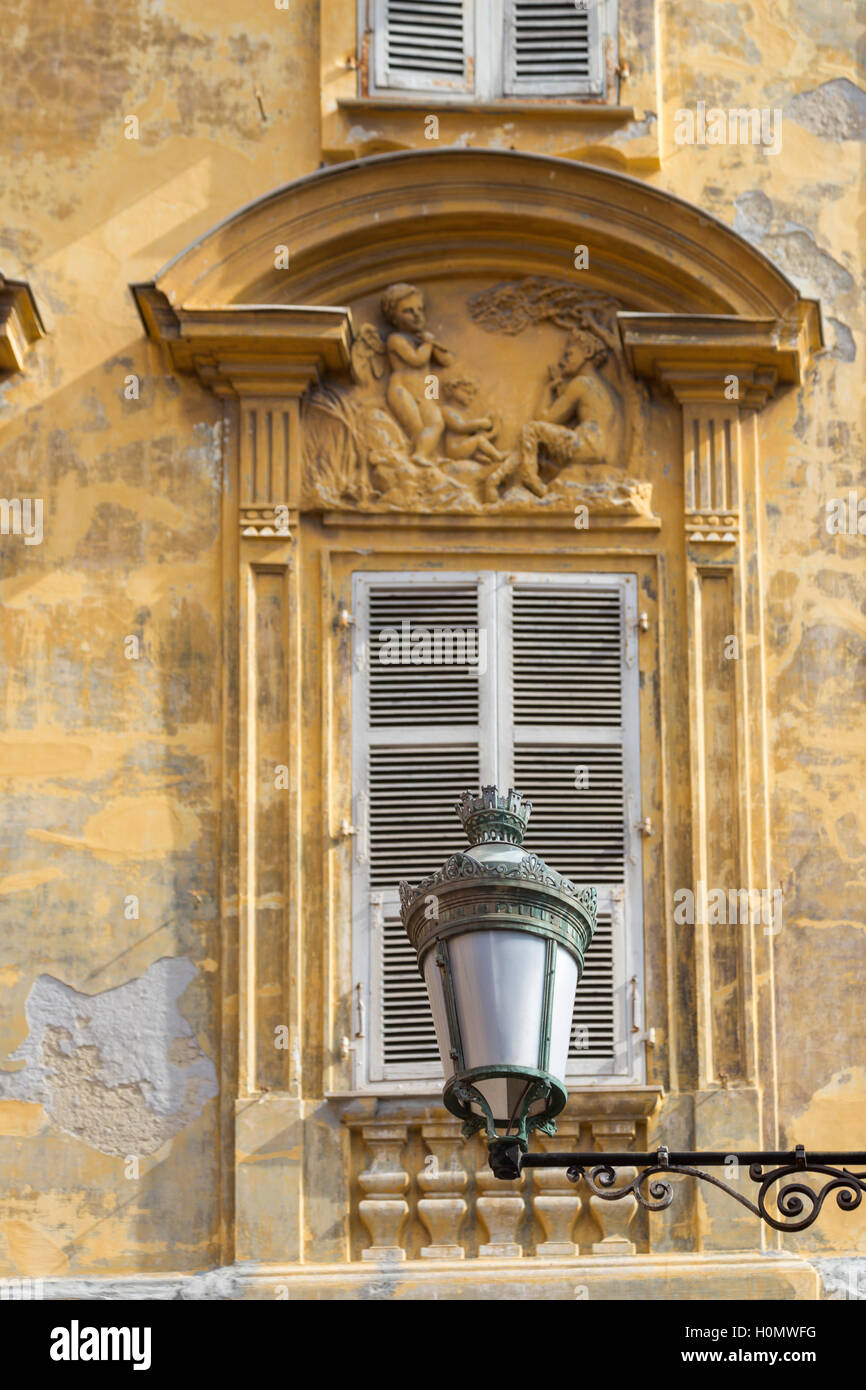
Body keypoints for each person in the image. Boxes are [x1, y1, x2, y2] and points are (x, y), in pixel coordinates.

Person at [381, 283, 455, 465]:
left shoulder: (422, 339)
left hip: (428, 389)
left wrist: (433, 344)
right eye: (408, 311)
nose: (417, 315)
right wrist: (428, 345)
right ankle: (419, 456)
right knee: (416, 427)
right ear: (394, 318)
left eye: (420, 309)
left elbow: (446, 361)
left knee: (437, 423)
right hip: (403, 389)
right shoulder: (395, 339)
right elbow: (416, 360)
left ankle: (430, 454)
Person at [440, 373, 508, 463]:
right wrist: (481, 423)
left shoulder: (466, 412)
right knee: (478, 440)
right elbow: (460, 427)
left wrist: (489, 423)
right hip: (455, 449)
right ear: (453, 390)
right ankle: (497, 456)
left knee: (479, 439)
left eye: (473, 394)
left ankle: (480, 457)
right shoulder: (446, 410)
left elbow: (471, 430)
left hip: (465, 445)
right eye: (467, 392)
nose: (471, 397)